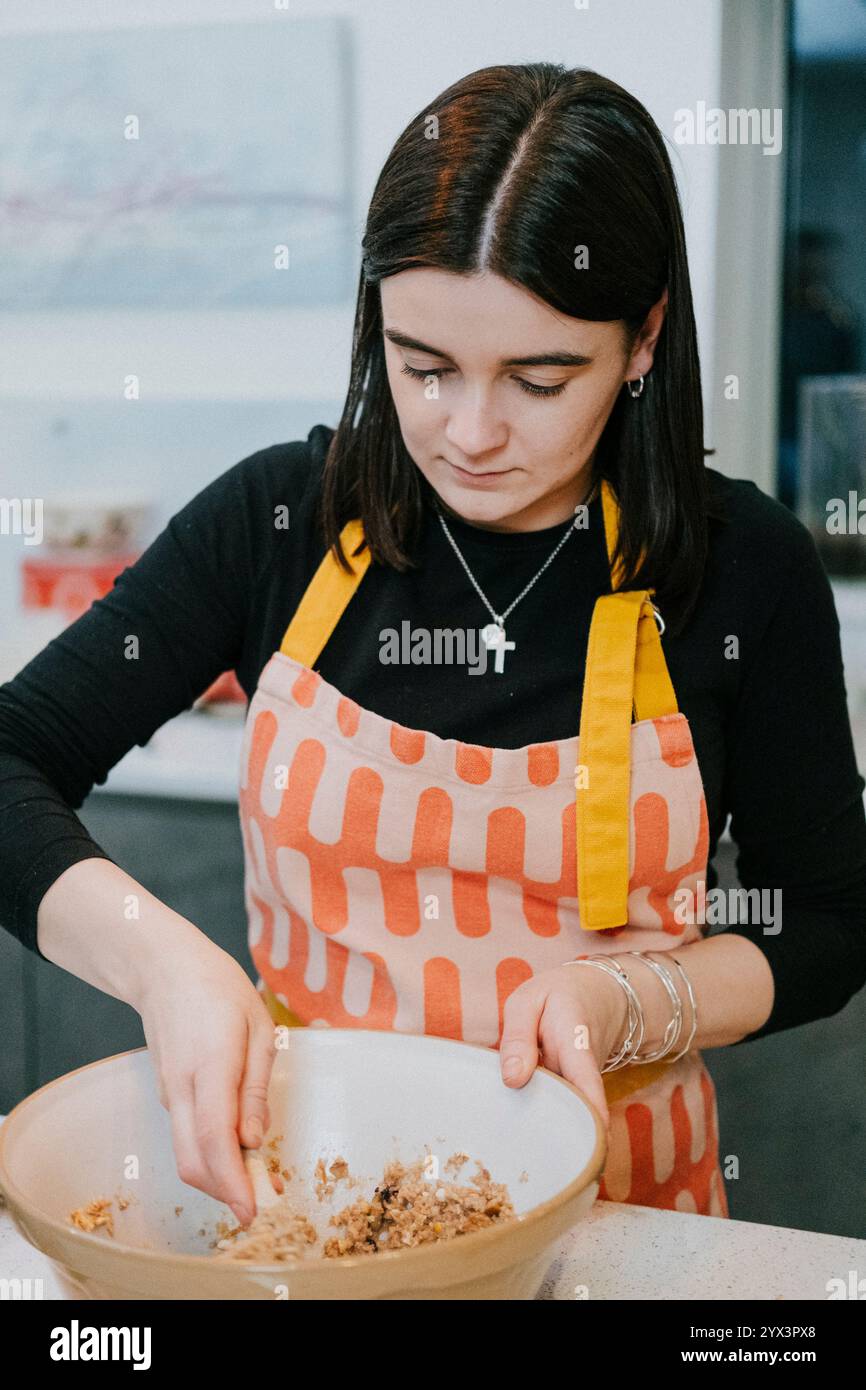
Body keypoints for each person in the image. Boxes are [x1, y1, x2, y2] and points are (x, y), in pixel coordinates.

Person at [2, 64, 865, 1228]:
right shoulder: (278, 524)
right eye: (423, 367)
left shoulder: (740, 570)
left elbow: (827, 921)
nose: (468, 434)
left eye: (538, 377)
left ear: (643, 336)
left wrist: (634, 1001)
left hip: (618, 1222)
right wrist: (165, 964)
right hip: (311, 1203)